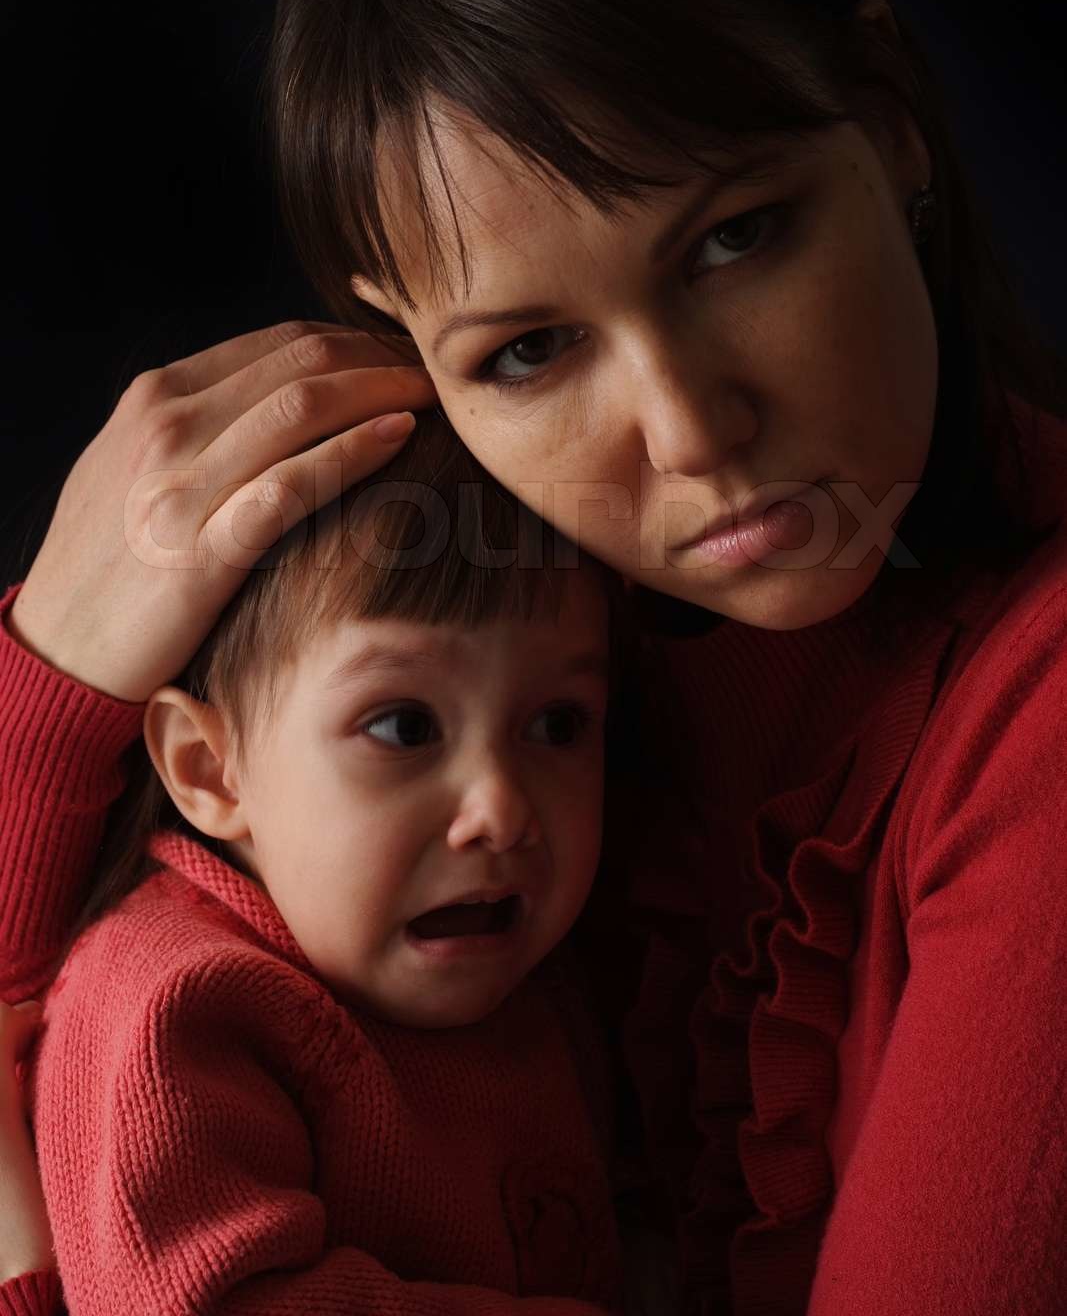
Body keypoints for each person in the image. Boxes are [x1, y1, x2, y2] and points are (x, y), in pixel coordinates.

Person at [3, 0, 1067, 1316]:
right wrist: (54, 670)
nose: (687, 430)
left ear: (889, 118)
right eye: (525, 352)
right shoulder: (464, 652)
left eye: (733, 237)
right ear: (412, 360)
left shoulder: (1024, 700)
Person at [6, 411, 663, 1313]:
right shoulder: (173, 1003)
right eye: (403, 728)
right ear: (210, 771)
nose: (502, 811)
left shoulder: (539, 978)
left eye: (557, 725)